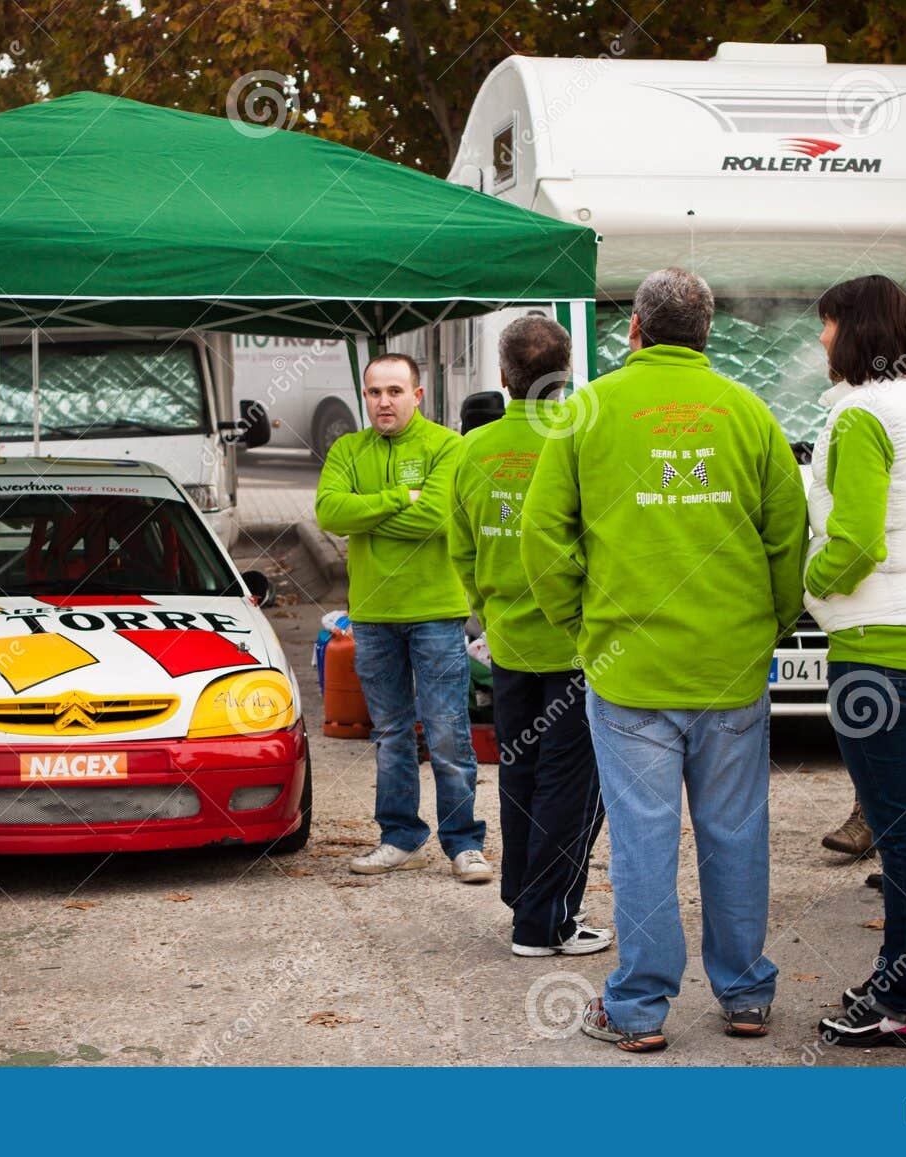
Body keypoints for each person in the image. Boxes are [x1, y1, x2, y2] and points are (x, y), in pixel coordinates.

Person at [523, 268, 808, 1053]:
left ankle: (640, 1007)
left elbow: (544, 537)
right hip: (730, 664)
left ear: (635, 331)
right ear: (708, 335)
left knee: (645, 838)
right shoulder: (749, 413)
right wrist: (771, 625)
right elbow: (789, 536)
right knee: (736, 831)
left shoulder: (587, 411)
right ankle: (746, 992)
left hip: (628, 669)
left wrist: (580, 627)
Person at [805, 275, 906, 1050]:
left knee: (901, 835)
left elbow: (858, 540)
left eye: (827, 325)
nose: (821, 341)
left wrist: (806, 582)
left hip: (877, 650)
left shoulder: (860, 412)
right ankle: (898, 976)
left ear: (853, 330)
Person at [450, 316, 609, 957]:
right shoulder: (583, 437)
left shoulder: (472, 451)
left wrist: (488, 609)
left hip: (509, 642)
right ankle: (542, 922)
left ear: (502, 376)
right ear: (567, 375)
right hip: (576, 644)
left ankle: (529, 901)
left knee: (520, 776)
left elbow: (461, 550)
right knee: (571, 788)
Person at [315, 353, 491, 885]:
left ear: (418, 394)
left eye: (394, 391)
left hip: (436, 611)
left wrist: (367, 513)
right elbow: (328, 512)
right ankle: (399, 838)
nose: (383, 402)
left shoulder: (449, 447)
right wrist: (398, 498)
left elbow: (435, 518)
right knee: (391, 733)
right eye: (373, 392)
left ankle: (464, 844)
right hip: (372, 615)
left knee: (446, 731)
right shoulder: (348, 448)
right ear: (364, 396)